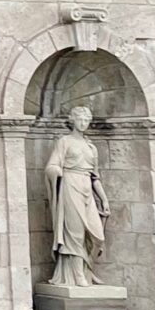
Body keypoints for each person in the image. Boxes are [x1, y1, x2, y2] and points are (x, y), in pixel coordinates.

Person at [44, 104, 109, 287]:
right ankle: (77, 274)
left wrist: (103, 198)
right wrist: (55, 171)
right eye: (80, 119)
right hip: (70, 184)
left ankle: (88, 267)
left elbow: (95, 177)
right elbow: (52, 165)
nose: (83, 123)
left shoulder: (91, 147)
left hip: (87, 186)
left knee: (97, 235)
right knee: (75, 233)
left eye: (87, 120)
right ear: (72, 120)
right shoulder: (64, 141)